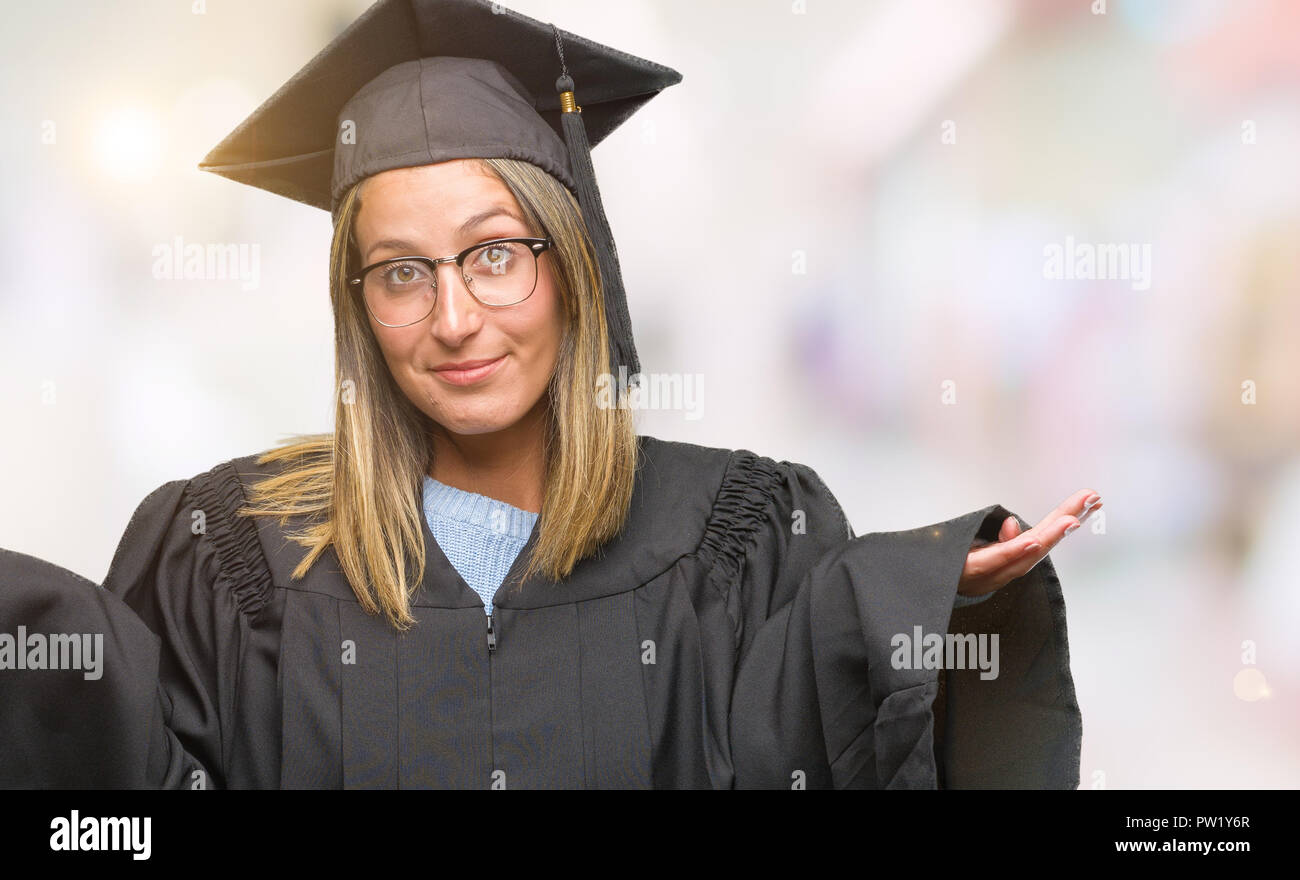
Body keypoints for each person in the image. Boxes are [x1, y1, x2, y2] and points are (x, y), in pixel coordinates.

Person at [8, 0, 1100, 789]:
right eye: (400, 272)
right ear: (356, 305)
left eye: (494, 255)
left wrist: (918, 608)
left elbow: (816, 734)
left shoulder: (743, 538)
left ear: (574, 264)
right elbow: (122, 774)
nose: (452, 318)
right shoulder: (230, 556)